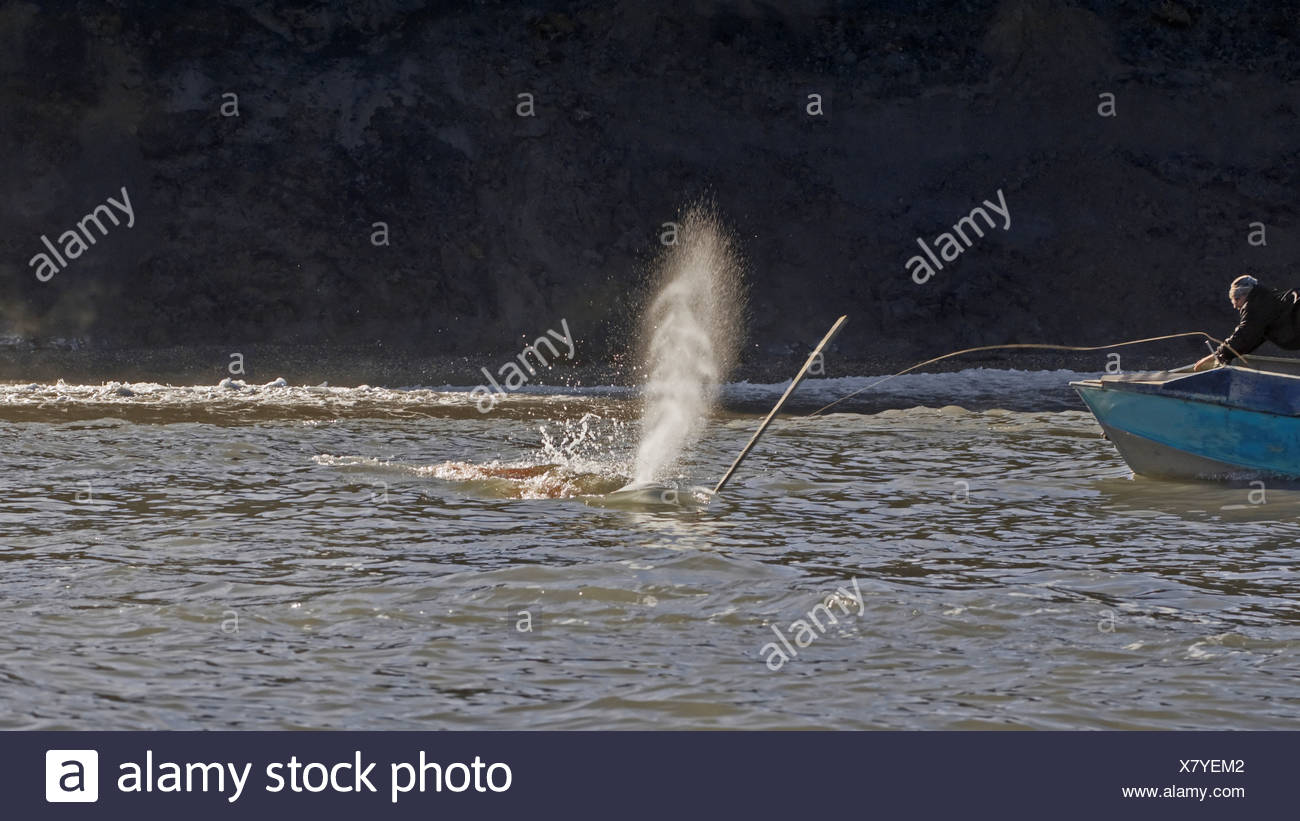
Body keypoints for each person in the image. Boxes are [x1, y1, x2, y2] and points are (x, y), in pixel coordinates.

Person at [1193, 275, 1300, 370]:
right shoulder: (1269, 300)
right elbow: (1251, 340)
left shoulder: (1256, 305)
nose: (1235, 306)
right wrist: (1224, 355)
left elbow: (1245, 334)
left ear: (1244, 295)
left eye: (1236, 299)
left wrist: (1218, 355)